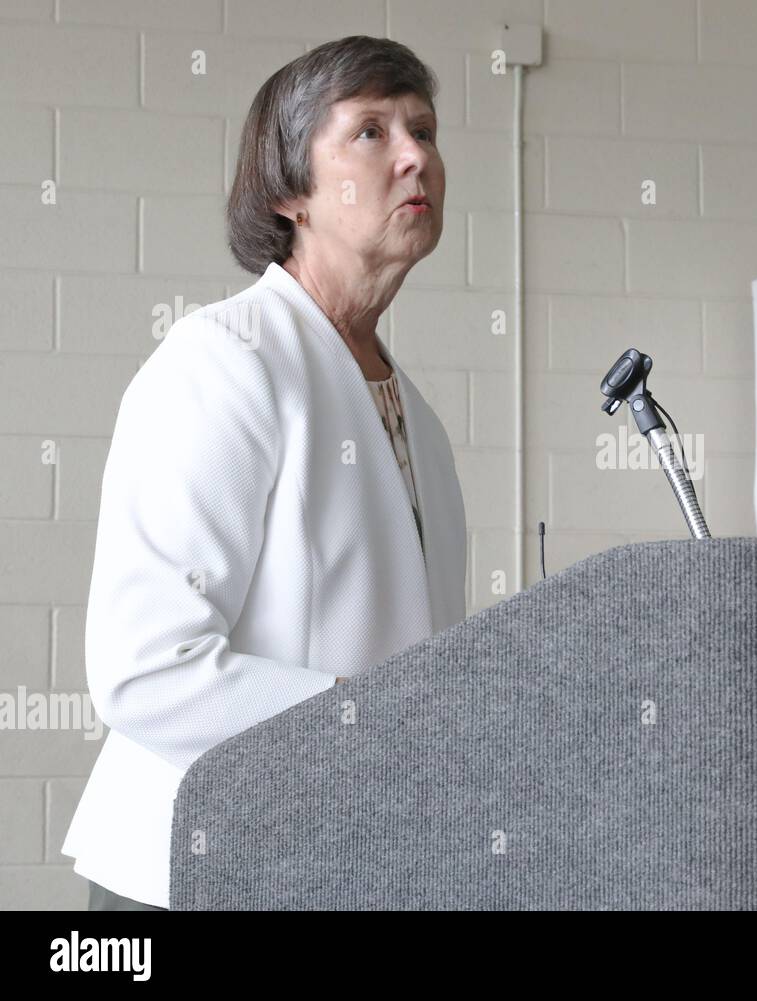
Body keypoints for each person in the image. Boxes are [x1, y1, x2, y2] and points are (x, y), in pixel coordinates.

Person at [61, 35, 466, 910]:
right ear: (289, 191)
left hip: (336, 876)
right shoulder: (224, 360)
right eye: (370, 131)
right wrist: (374, 721)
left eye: (425, 129)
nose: (415, 154)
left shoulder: (419, 422)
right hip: (187, 876)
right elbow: (146, 668)